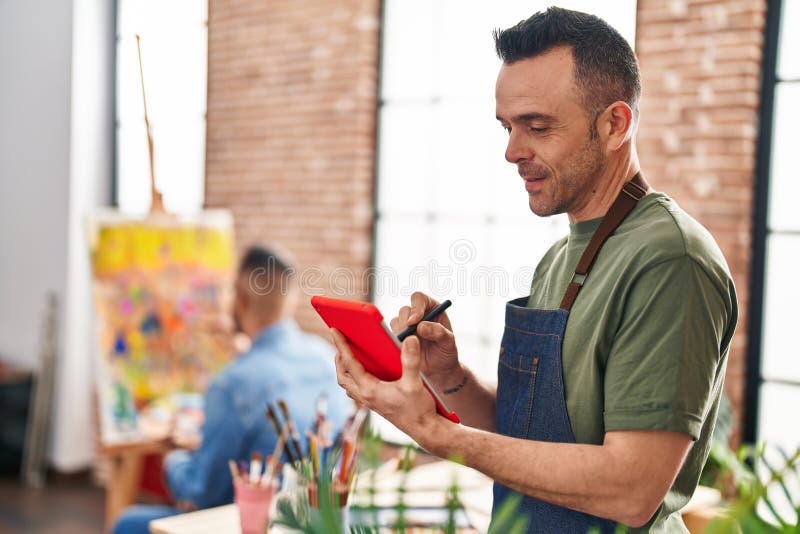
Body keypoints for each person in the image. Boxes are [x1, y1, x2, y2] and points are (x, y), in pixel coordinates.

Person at [331, 7, 737, 533]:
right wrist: (449, 378)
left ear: (616, 124)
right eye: (507, 127)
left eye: (537, 127)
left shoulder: (670, 259)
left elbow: (633, 488)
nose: (511, 151)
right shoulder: (560, 257)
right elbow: (534, 437)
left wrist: (438, 435)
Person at [113, 245, 351, 534]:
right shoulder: (326, 356)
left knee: (127, 523)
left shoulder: (232, 384)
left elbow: (199, 491)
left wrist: (171, 458)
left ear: (239, 299)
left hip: (246, 523)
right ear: (292, 297)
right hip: (316, 520)